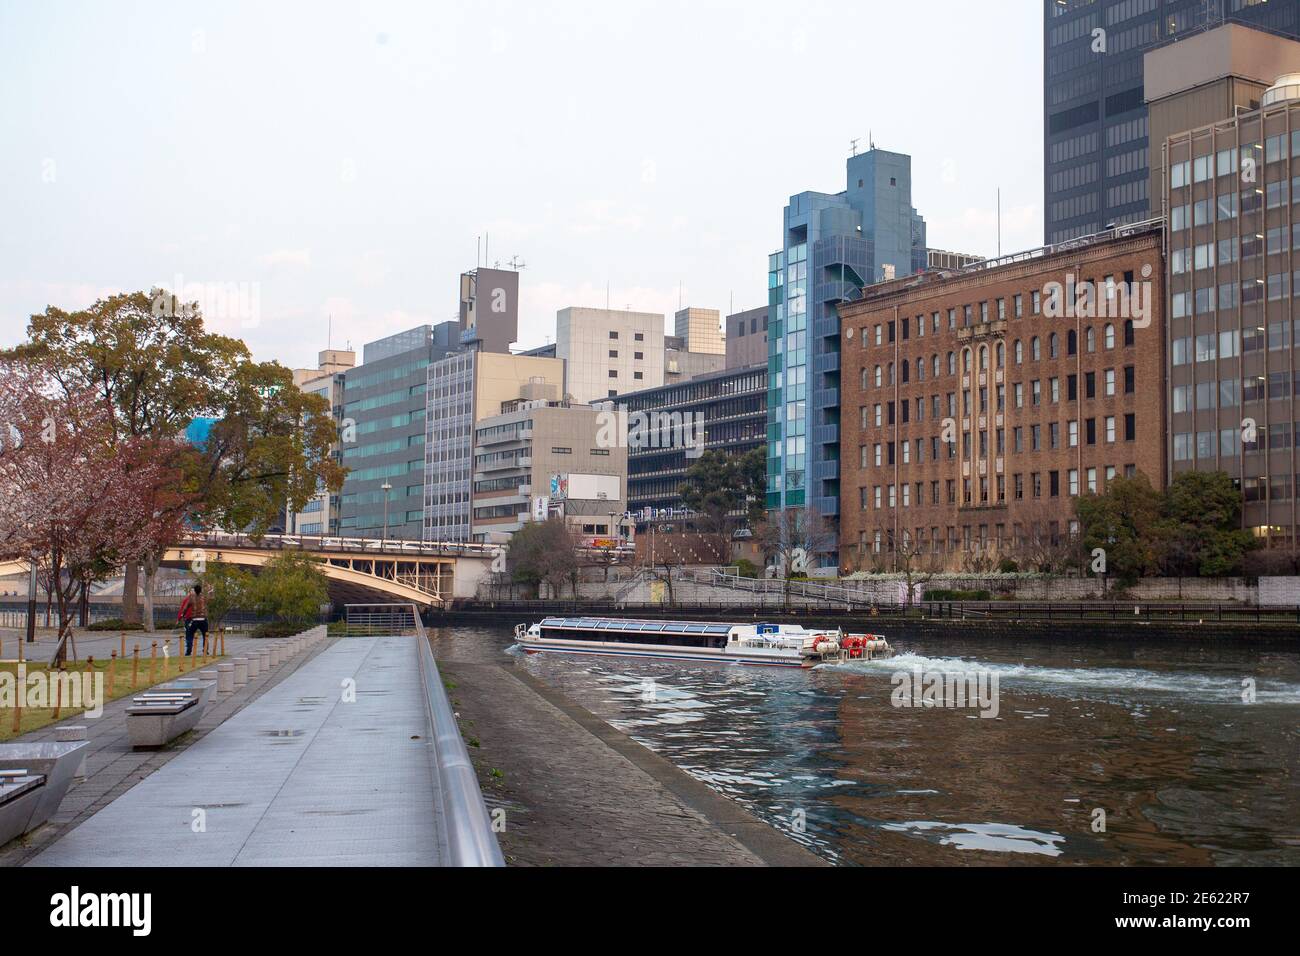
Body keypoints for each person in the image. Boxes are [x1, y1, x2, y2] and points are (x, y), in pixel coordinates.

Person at [178, 583, 209, 656]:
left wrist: (183, 615)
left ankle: (189, 649)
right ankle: (205, 650)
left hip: (194, 619)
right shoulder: (204, 597)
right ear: (201, 590)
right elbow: (211, 597)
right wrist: (211, 589)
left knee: (189, 634)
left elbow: (185, 608)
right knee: (205, 635)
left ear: (194, 590)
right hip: (203, 619)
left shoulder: (191, 597)